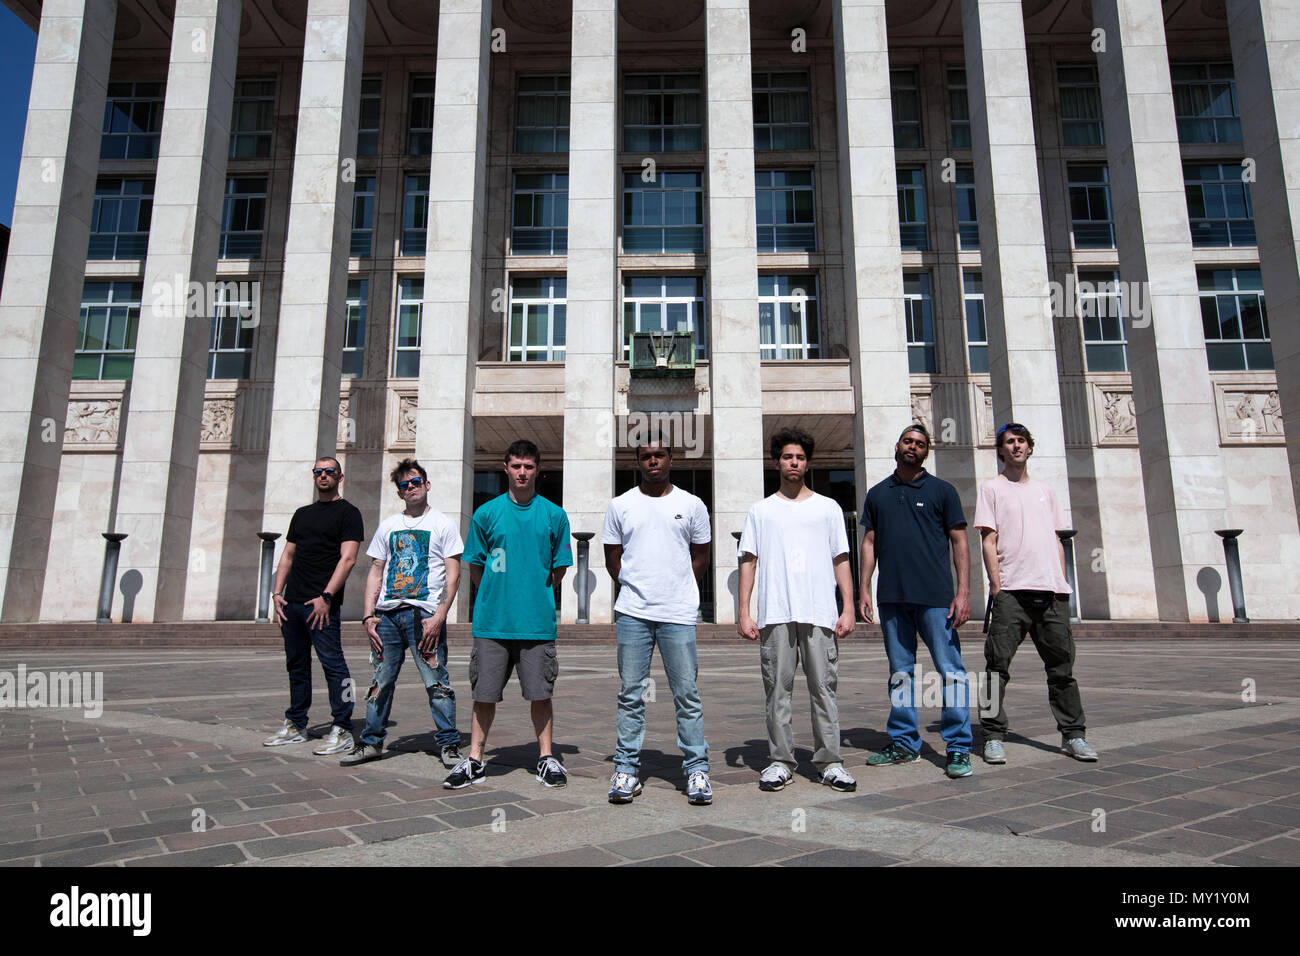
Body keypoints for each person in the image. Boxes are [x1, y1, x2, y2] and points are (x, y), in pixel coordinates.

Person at [443, 440, 573, 789]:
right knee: (483, 694)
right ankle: (474, 759)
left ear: (537, 470)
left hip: (536, 623)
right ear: (505, 468)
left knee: (540, 694)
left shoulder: (554, 515)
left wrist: (534, 591)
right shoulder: (486, 514)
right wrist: (496, 594)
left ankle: (546, 757)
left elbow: (558, 570)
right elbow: (475, 565)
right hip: (493, 622)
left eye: (528, 466)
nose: (521, 472)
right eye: (516, 465)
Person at [737, 427, 858, 793]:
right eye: (788, 457)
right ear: (777, 462)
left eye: (801, 457)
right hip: (776, 612)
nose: (794, 462)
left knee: (824, 688)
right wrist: (744, 611)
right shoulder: (761, 511)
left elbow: (841, 559)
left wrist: (848, 606)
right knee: (777, 689)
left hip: (819, 612)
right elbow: (749, 562)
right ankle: (780, 761)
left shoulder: (828, 508)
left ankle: (830, 761)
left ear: (807, 463)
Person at [975, 423, 1098, 764]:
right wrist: (997, 586)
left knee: (1062, 669)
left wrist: (1062, 582)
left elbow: (1057, 539)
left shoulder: (1046, 490)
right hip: (1012, 592)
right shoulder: (992, 489)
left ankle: (1074, 735)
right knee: (995, 668)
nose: (1016, 446)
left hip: (1052, 592)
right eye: (1009, 442)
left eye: (1021, 441)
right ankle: (992, 736)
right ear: (1000, 451)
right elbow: (987, 538)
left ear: (1030, 448)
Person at [859, 424, 974, 779]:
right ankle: (905, 743)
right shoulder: (878, 494)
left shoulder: (943, 491)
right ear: (897, 446)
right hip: (892, 598)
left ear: (927, 451)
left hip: (937, 599)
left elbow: (960, 543)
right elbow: (869, 543)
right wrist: (864, 588)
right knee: (900, 674)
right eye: (908, 441)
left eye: (920, 444)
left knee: (951, 672)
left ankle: (957, 747)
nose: (913, 447)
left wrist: (964, 592)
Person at [602, 441, 712, 805]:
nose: (653, 460)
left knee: (687, 695)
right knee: (630, 694)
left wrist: (677, 587)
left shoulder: (692, 504)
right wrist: (639, 588)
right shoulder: (620, 505)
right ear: (637, 462)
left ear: (670, 460)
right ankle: (626, 769)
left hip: (678, 614)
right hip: (633, 612)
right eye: (646, 456)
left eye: (660, 455)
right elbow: (613, 560)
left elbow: (701, 556)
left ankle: (696, 769)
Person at [340, 459, 465, 769]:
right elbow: (376, 571)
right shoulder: (389, 525)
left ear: (427, 484)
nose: (411, 488)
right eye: (404, 485)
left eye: (416, 482)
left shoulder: (443, 524)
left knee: (437, 682)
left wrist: (440, 615)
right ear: (399, 493)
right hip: (388, 617)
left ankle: (449, 744)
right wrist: (369, 615)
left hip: (424, 618)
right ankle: (371, 742)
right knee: (380, 682)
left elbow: (453, 574)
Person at [264, 457, 363, 756]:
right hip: (292, 603)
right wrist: (276, 593)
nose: (323, 476)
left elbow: (348, 559)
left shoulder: (349, 513)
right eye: (318, 472)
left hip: (321, 604)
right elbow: (288, 555)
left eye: (329, 472)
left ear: (340, 477)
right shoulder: (301, 514)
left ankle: (344, 727)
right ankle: (296, 724)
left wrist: (327, 597)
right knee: (296, 665)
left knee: (335, 666)